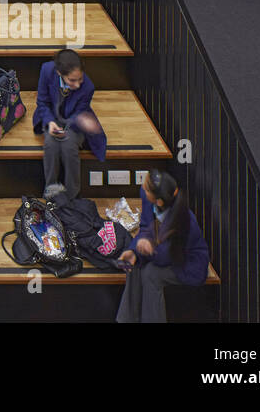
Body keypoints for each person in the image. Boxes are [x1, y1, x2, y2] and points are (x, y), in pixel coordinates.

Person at [116, 169, 211, 323]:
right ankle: (128, 319)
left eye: (146, 189)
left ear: (159, 201)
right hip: (162, 251)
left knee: (151, 274)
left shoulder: (185, 221)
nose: (142, 188)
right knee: (134, 266)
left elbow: (165, 258)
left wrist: (146, 249)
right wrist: (134, 251)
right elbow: (146, 227)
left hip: (188, 264)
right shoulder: (149, 197)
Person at [33, 48, 106, 200]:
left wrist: (67, 128)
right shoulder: (46, 70)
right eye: (72, 80)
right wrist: (50, 122)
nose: (78, 84)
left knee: (68, 145)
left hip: (75, 122)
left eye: (80, 79)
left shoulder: (88, 87)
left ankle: (72, 194)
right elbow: (42, 101)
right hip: (52, 117)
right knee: (50, 143)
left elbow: (79, 112)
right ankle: (51, 189)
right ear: (60, 73)